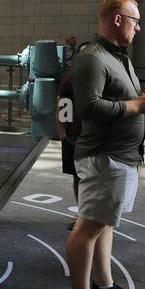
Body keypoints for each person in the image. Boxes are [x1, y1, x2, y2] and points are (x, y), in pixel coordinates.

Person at [65, 0, 145, 289]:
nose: (138, 28)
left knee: (105, 224)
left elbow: (124, 99)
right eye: (135, 21)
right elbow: (88, 107)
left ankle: (103, 285)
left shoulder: (120, 58)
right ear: (118, 19)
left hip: (121, 155)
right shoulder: (93, 57)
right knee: (88, 228)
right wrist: (137, 104)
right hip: (104, 158)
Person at [57, 42, 92, 229]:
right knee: (78, 178)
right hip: (75, 136)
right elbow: (63, 107)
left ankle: (90, 215)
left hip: (96, 137)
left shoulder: (102, 76)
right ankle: (82, 215)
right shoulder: (70, 80)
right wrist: (64, 134)